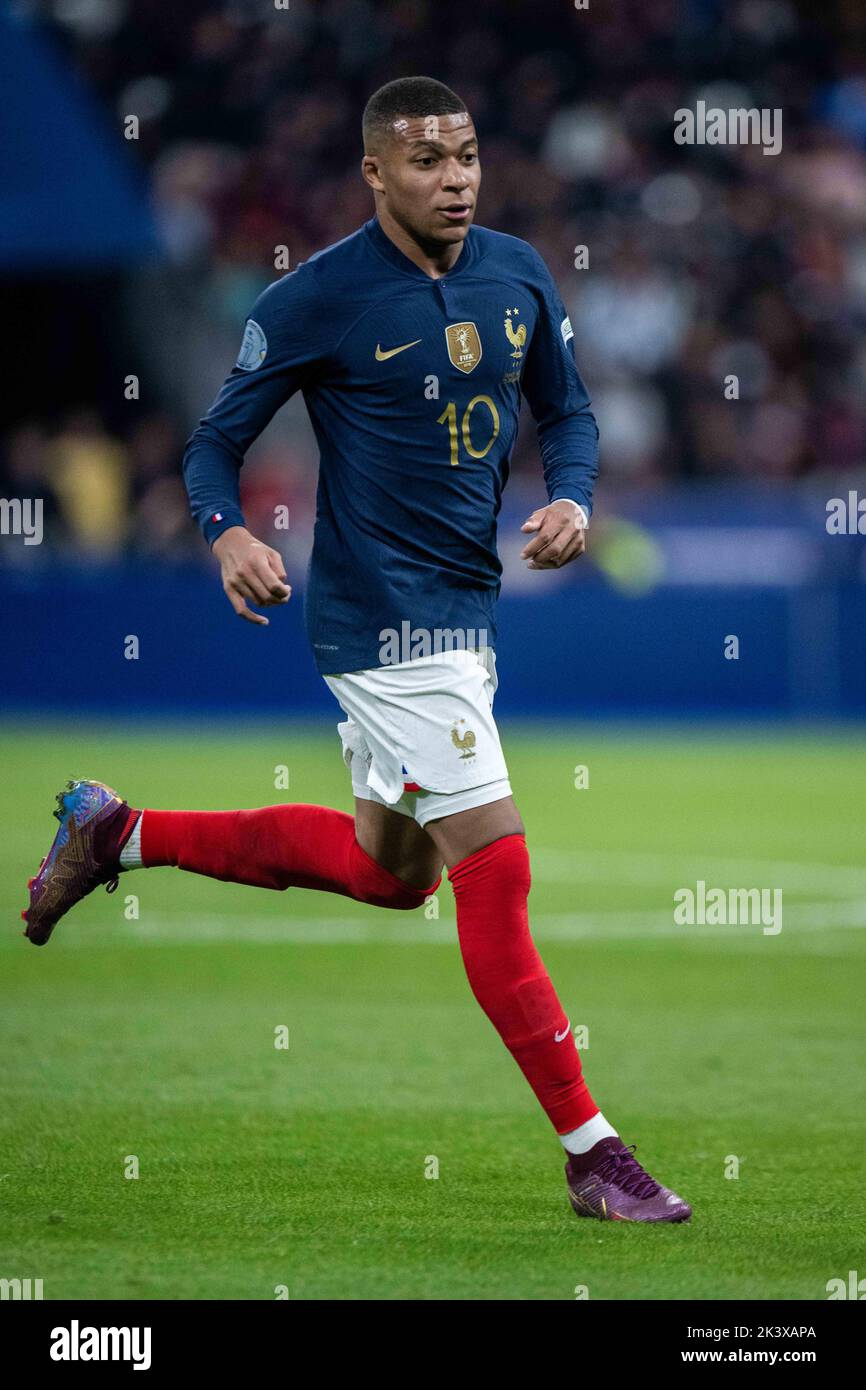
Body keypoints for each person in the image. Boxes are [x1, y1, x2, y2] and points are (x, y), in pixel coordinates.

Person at [23, 76, 690, 1224]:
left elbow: (567, 411)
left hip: (464, 616)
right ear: (374, 173)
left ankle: (119, 833)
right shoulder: (315, 298)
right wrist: (227, 531)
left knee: (394, 873)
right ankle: (592, 1153)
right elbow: (210, 444)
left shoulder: (517, 270)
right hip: (378, 623)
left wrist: (573, 496)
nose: (456, 178)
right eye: (427, 162)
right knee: (497, 865)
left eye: (468, 155)